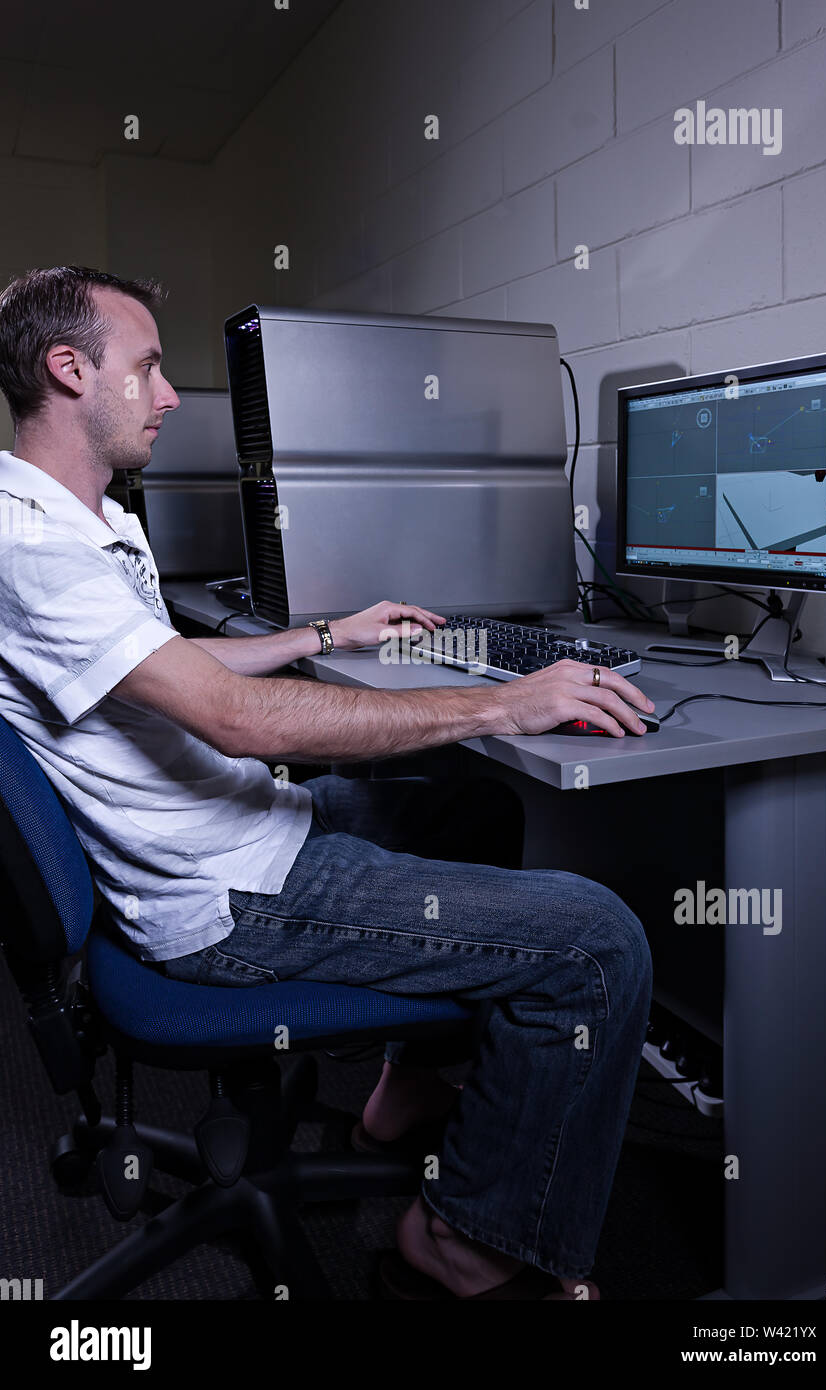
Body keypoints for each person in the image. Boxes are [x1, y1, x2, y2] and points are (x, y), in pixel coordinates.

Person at [0, 266, 654, 1301]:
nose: (171, 395)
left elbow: (175, 667)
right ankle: (460, 1235)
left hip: (243, 831)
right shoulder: (30, 545)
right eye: (150, 367)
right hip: (226, 901)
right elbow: (234, 717)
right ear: (68, 368)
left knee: (469, 802)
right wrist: (499, 703)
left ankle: (404, 1088)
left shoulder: (93, 518)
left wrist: (325, 634)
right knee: (596, 942)